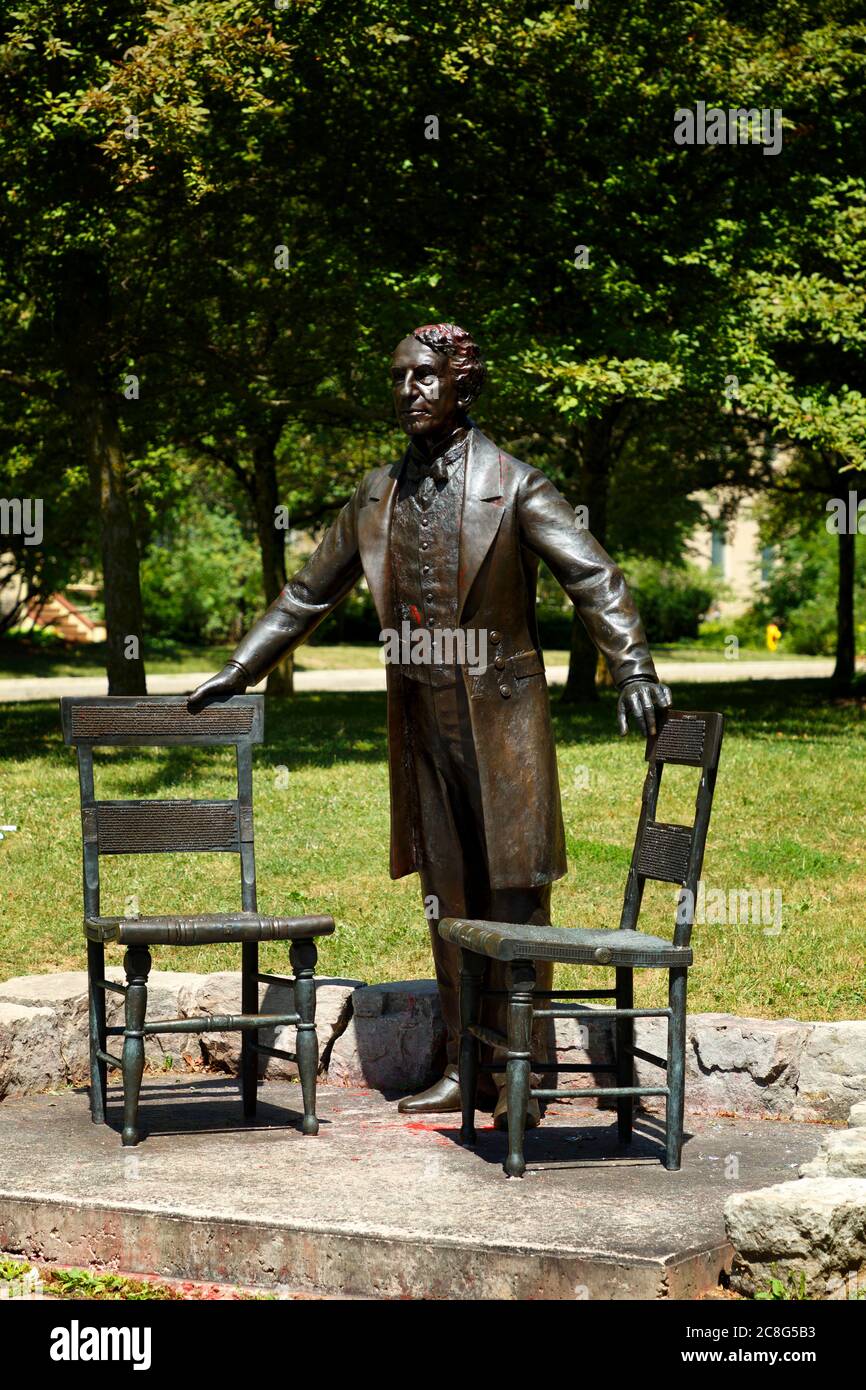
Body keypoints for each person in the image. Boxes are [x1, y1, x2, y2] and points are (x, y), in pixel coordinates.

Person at [188, 323, 671, 1125]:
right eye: (399, 377)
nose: (407, 390)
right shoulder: (377, 494)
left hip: (502, 719)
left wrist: (634, 667)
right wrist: (243, 667)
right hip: (424, 722)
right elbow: (309, 593)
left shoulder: (515, 485)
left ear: (462, 385)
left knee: (514, 900)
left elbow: (594, 578)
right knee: (448, 900)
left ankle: (525, 1070)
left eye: (423, 377)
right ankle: (461, 1063)